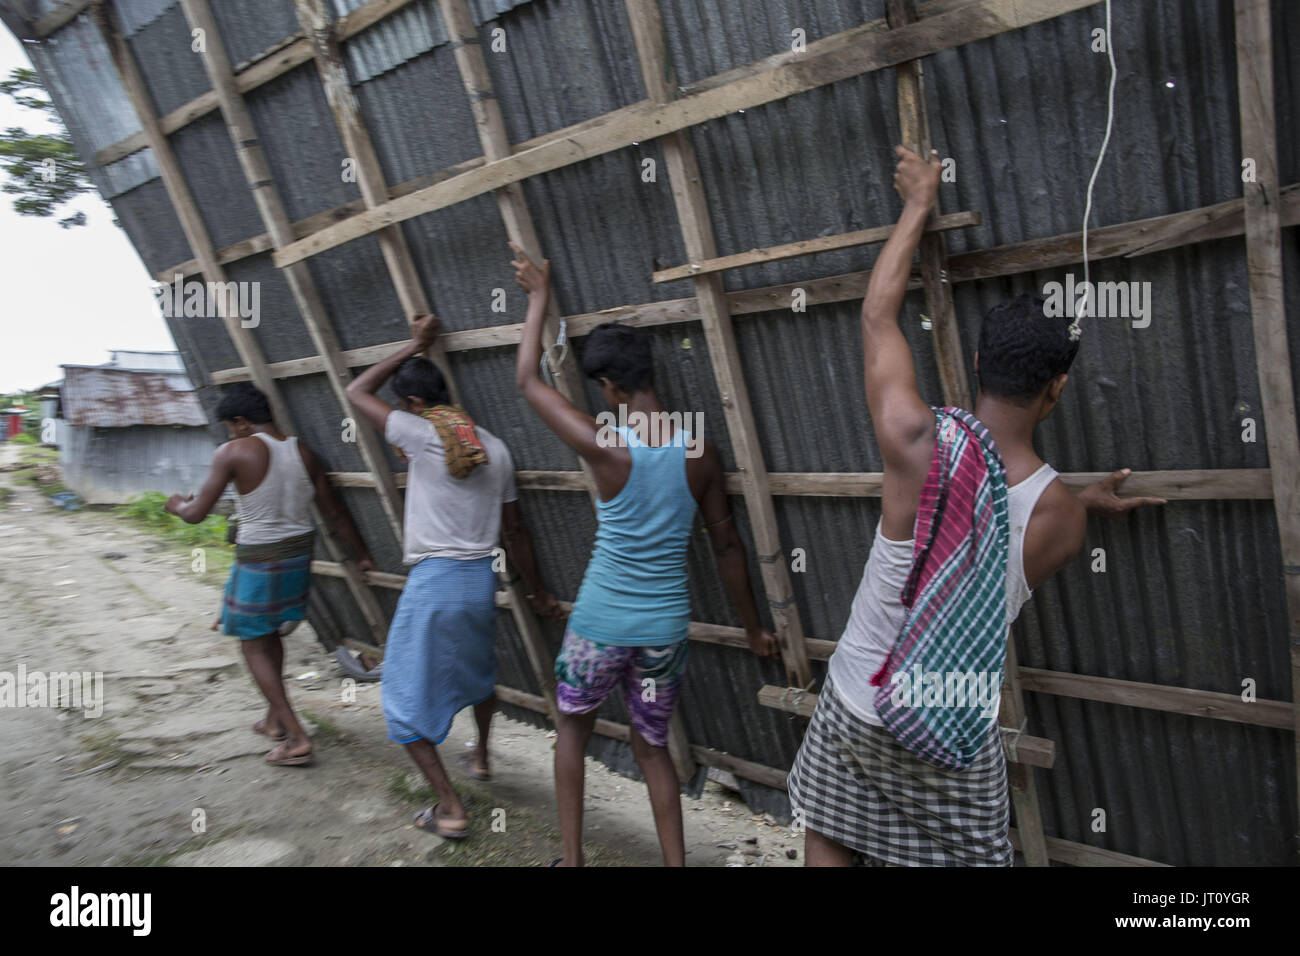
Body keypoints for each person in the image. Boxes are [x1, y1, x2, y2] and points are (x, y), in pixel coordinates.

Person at [786, 146, 1165, 866]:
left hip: (858, 697)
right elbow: (994, 554)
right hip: (946, 722)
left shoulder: (916, 438)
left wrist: (918, 204)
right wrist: (1080, 500)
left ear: (978, 366)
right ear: (1056, 389)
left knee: (830, 835)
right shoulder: (1062, 520)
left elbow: (875, 318)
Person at [509, 241, 780, 867]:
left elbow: (525, 380)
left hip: (600, 624)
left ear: (607, 387)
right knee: (653, 747)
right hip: (664, 630)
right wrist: (752, 627)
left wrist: (539, 298)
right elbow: (728, 546)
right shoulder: (699, 450)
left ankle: (572, 863)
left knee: (572, 730)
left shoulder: (606, 443)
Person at [346, 314, 560, 840]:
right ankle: (482, 756)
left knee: (399, 699)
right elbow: (516, 530)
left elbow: (356, 389)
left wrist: (413, 345)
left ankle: (450, 808)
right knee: (477, 676)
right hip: (480, 584)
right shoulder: (496, 447)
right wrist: (536, 589)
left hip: (435, 582)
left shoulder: (419, 434)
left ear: (415, 405)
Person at [165, 381, 374, 767]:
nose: (230, 433)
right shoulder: (304, 453)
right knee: (268, 633)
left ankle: (296, 738)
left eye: (230, 426)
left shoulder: (234, 451)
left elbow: (196, 514)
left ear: (241, 422)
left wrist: (177, 504)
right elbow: (335, 514)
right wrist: (360, 555)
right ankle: (274, 720)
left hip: (259, 559)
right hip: (298, 556)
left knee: (251, 643)